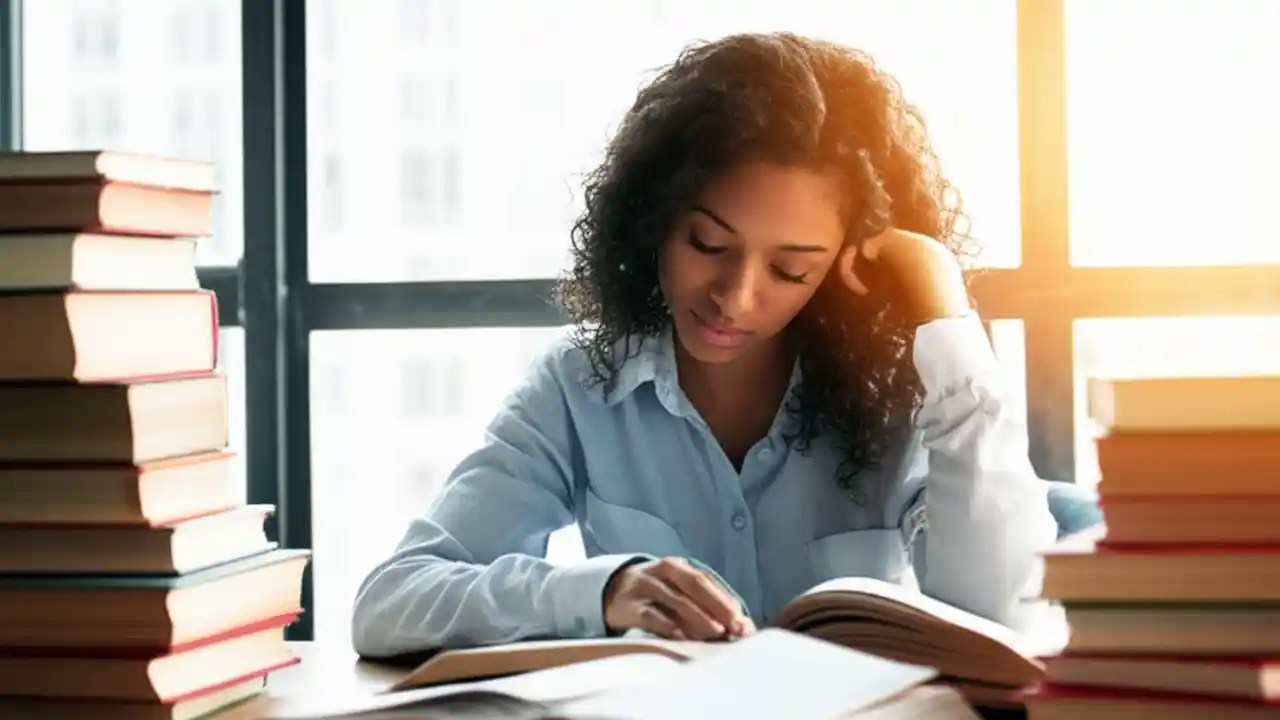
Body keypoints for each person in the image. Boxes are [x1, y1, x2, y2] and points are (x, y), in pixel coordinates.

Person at [351, 32, 1062, 657]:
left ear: (842, 267)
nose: (736, 296)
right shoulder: (577, 388)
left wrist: (946, 323)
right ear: (654, 215)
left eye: (790, 270)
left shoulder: (899, 394)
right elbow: (393, 603)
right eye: (708, 243)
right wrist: (605, 591)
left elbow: (1002, 616)